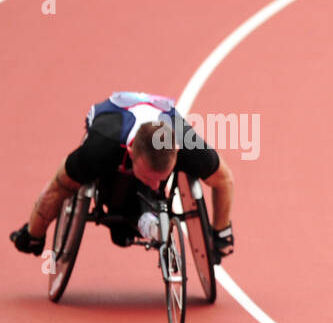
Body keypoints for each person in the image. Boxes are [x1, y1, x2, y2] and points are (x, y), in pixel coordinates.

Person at [10, 92, 235, 259]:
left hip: (158, 120)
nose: (158, 184)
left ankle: (143, 208)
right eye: (149, 176)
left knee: (152, 190)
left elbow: (224, 180)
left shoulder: (186, 143)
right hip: (112, 131)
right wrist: (34, 233)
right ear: (130, 152)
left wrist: (220, 234)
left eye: (161, 178)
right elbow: (57, 188)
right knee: (116, 202)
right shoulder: (100, 149)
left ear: (176, 152)